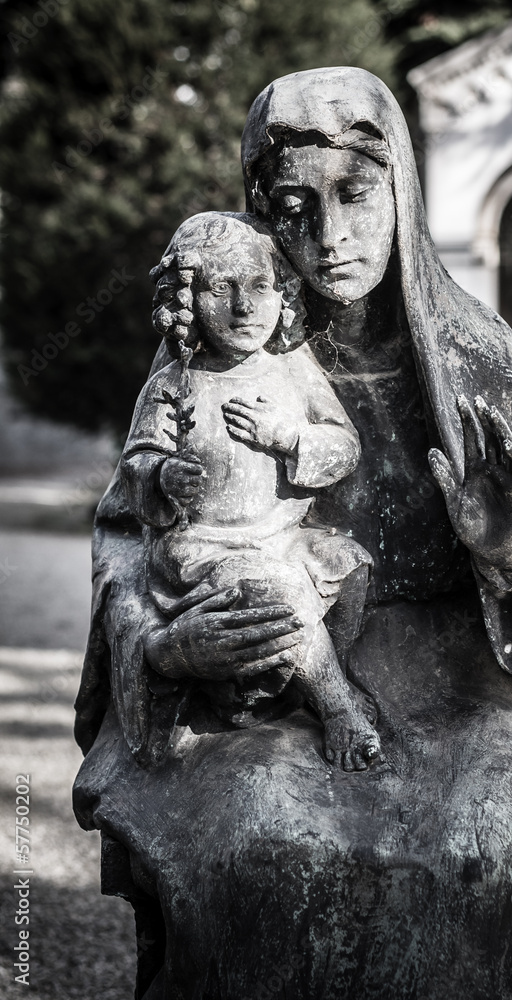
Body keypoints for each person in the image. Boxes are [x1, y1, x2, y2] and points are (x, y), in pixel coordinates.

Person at [73, 67, 512, 1000]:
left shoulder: (473, 350)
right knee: (262, 835)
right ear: (260, 217)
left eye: (356, 194)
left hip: (461, 674)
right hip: (263, 679)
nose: (330, 236)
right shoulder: (206, 358)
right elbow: (128, 534)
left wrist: (503, 549)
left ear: (402, 188)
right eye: (294, 209)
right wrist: (162, 647)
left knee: (497, 829)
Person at [121, 211, 380, 769]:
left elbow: (344, 446)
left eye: (260, 286)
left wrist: (288, 438)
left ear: (282, 293)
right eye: (222, 288)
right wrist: (162, 476)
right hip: (204, 547)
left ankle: (302, 681)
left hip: (283, 535)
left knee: (349, 564)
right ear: (188, 299)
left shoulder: (293, 370)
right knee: (277, 590)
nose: (244, 306)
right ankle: (338, 708)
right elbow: (136, 464)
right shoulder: (175, 385)